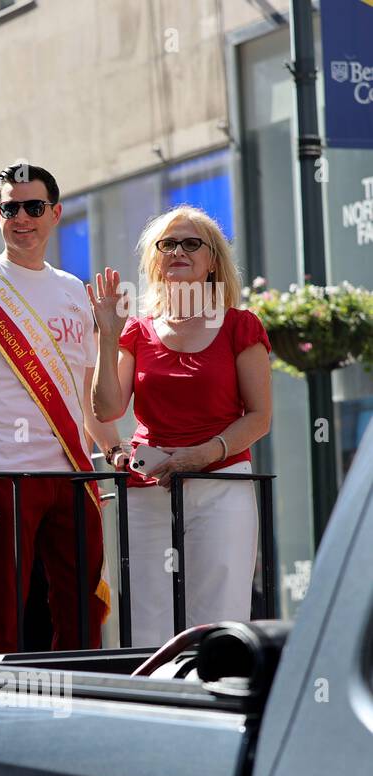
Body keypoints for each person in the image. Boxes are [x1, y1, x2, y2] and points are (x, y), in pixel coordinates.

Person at [0, 160, 123, 659]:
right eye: (9, 208)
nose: (21, 218)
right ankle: (0, 727)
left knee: (81, 616)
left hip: (71, 476)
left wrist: (109, 334)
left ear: (55, 213)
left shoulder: (73, 291)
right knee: (1, 623)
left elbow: (94, 406)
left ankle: (82, 716)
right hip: (0, 477)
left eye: (33, 207)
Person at [89, 206, 272, 645]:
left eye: (191, 243)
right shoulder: (136, 330)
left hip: (221, 484)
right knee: (148, 622)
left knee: (218, 618)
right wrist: (109, 335)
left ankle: (215, 708)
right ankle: (154, 708)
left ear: (213, 260)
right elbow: (107, 410)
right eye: (167, 244)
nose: (177, 251)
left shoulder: (240, 326)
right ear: (155, 260)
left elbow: (260, 417)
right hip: (148, 488)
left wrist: (203, 455)